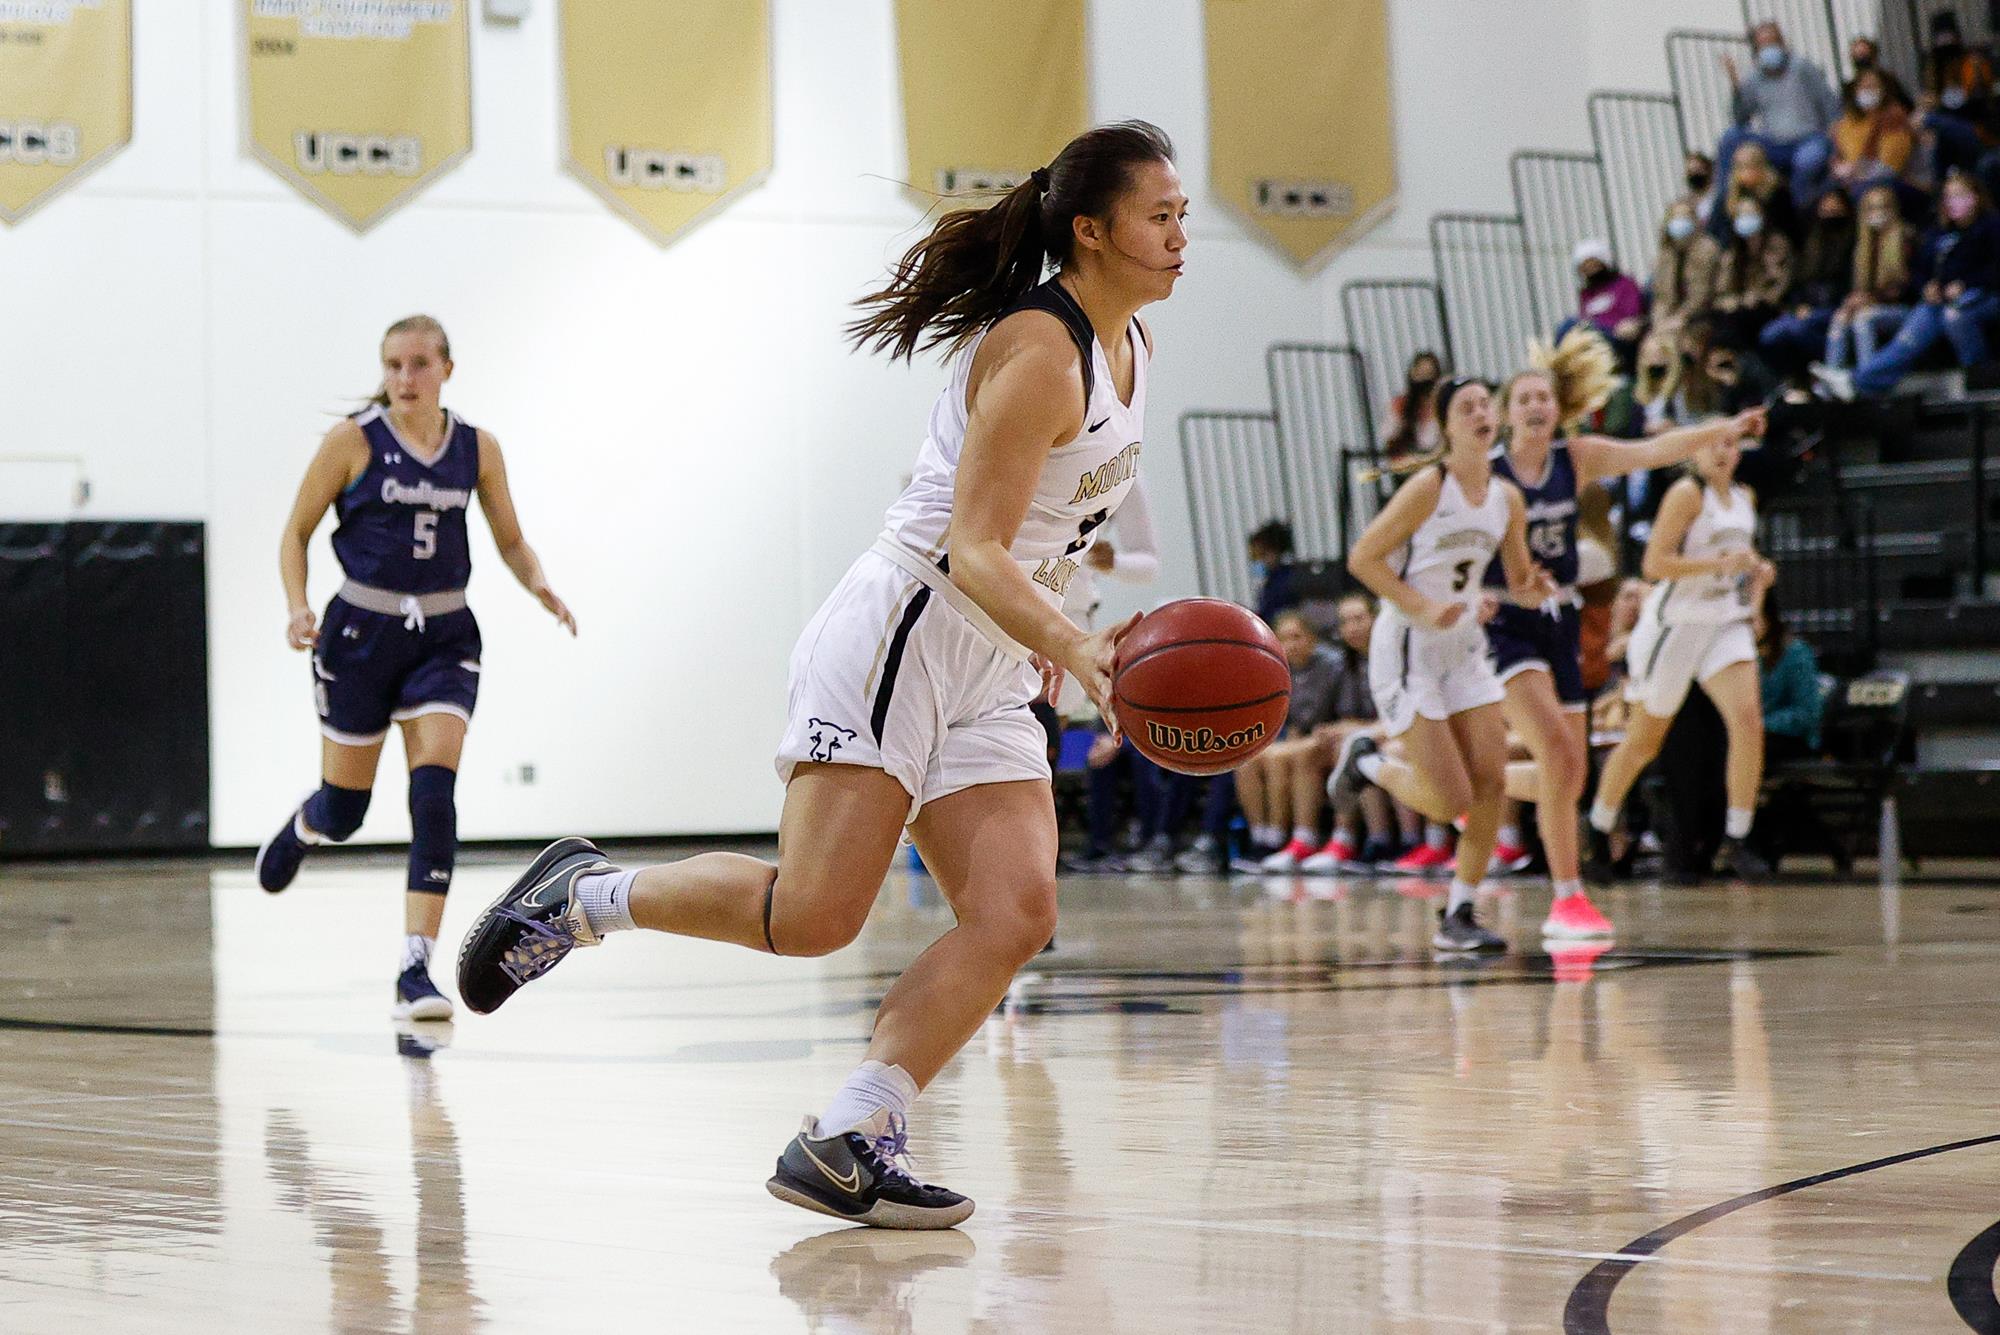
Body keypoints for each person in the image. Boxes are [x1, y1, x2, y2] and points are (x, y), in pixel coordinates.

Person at [454, 121, 1185, 1231]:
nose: (1182, 237)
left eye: (1182, 216)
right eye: (1159, 217)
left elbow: (1029, 546)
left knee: (1015, 911)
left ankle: (849, 1135)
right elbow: (974, 548)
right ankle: (583, 897)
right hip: (903, 629)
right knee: (811, 918)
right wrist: (1078, 646)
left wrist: (1045, 636)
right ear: (1090, 231)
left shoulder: (1130, 346)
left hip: (989, 656)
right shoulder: (1042, 351)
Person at [254, 315, 576, 1022]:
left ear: (447, 370)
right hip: (360, 632)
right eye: (395, 364)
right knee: (347, 809)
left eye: (420, 363)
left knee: (434, 795)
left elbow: (511, 538)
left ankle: (414, 969)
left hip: (445, 634)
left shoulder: (477, 447)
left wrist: (540, 583)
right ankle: (307, 825)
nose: (406, 377)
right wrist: (295, 605)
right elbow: (295, 531)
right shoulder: (353, 440)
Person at [1484, 329, 1768, 940]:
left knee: (1570, 773)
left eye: (1544, 398)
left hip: (1558, 620)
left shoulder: (1576, 458)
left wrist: (1726, 428)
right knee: (1561, 760)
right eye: (1524, 398)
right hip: (1501, 621)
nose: (1536, 407)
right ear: (1506, 412)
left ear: (1558, 410)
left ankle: (1478, 787)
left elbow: (1655, 449)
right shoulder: (1484, 476)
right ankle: (1567, 897)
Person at [1336, 377, 1559, 953]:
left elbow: (1517, 581)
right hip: (1408, 647)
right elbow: (1363, 558)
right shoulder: (1427, 487)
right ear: (1447, 426)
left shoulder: (1507, 497)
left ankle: (1460, 911)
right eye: (1468, 407)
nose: (1482, 412)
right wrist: (1424, 607)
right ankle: (1370, 766)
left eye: (1487, 403)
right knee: (1450, 799)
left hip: (1462, 649)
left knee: (1490, 786)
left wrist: (1535, 590)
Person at [1589, 430, 1777, 881]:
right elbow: (1653, 565)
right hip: (1675, 626)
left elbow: (1737, 559)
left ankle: (1738, 835)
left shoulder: (1743, 495)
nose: (1722, 449)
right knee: (1643, 742)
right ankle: (1598, 827)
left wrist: (1756, 577)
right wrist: (1718, 566)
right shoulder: (1685, 494)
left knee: (1748, 722)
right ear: (1694, 451)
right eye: (1713, 442)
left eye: (1730, 443)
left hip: (1723, 622)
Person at [1815, 170, 2000, 398]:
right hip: (1938, 302)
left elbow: (1994, 269)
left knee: (1955, 317)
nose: (1955, 202)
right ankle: (1857, 382)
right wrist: (1926, 286)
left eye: (1961, 195)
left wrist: (1965, 284)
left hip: (1982, 296)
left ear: (1976, 196)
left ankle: (1979, 380)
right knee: (1906, 340)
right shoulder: (1939, 232)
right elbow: (1919, 271)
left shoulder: (1991, 226)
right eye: (1950, 196)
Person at [1244, 612, 1356, 870]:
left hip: (1336, 734)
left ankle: (1316, 838)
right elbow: (1293, 724)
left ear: (1312, 638)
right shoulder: (1281, 669)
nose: (1290, 644)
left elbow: (1341, 718)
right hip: (1309, 736)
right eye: (1284, 638)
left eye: (1297, 637)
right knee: (1247, 760)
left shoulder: (1334, 664)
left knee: (1291, 757)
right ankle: (1265, 838)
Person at [1716, 22, 1841, 211]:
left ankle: (1799, 212)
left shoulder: (1802, 67)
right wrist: (1736, 88)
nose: (1769, 48)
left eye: (1773, 42)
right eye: (1763, 45)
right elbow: (1741, 118)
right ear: (1756, 50)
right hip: (1773, 142)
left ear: (1782, 44)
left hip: (1809, 138)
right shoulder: (1754, 78)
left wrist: (1836, 141)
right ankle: (1725, 203)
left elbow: (1830, 106)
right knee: (1731, 136)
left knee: (1807, 161)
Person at [1758, 187, 1856, 376]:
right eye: (1826, 208)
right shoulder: (1812, 244)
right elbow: (1799, 282)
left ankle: (1826, 371)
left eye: (1836, 208)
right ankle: (1794, 378)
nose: (1830, 213)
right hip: (1806, 307)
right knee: (1769, 335)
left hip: (1835, 307)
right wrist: (1798, 306)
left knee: (1798, 329)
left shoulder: (1853, 244)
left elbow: (1849, 283)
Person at [1822, 183, 1917, 372]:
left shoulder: (1907, 239)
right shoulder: (1863, 247)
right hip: (1873, 306)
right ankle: (1832, 376)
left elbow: (1910, 288)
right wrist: (1852, 301)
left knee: (1863, 319)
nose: (1877, 213)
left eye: (1882, 207)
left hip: (1905, 310)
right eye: (1871, 208)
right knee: (1840, 318)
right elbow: (1858, 287)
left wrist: (1871, 299)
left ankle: (1868, 376)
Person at [1711, 192, 1794, 346]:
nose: (1745, 218)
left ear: (1761, 215)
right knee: (1719, 321)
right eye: (1741, 214)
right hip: (1740, 307)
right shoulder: (1733, 252)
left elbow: (1782, 284)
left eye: (1750, 213)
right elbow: (1722, 290)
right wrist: (1733, 300)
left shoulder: (1777, 245)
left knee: (1739, 322)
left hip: (1770, 306)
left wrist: (1759, 297)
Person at [1755, 593, 1824, 763]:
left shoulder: (1796, 653)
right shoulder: (1743, 658)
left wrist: (1760, 725)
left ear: (1768, 617)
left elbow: (1806, 713)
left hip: (1791, 739)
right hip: (1757, 734)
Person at [1651, 199, 1723, 335]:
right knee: (1653, 345)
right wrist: (1660, 322)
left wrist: (1680, 318)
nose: (1680, 222)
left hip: (1701, 317)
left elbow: (1701, 295)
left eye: (1685, 217)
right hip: (1671, 320)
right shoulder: (1665, 256)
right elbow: (1661, 298)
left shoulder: (1707, 249)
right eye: (1676, 218)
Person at [1382, 350, 1444, 464]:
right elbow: (1388, 435)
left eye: (1429, 374)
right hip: (1407, 464)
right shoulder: (1402, 404)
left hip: (1435, 463)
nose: (1424, 380)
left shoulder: (1442, 403)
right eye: (1420, 374)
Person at [1247, 519, 1299, 624]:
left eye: (1259, 556)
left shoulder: (1286, 580)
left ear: (1273, 552)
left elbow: (1273, 615)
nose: (1256, 561)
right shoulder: (1271, 580)